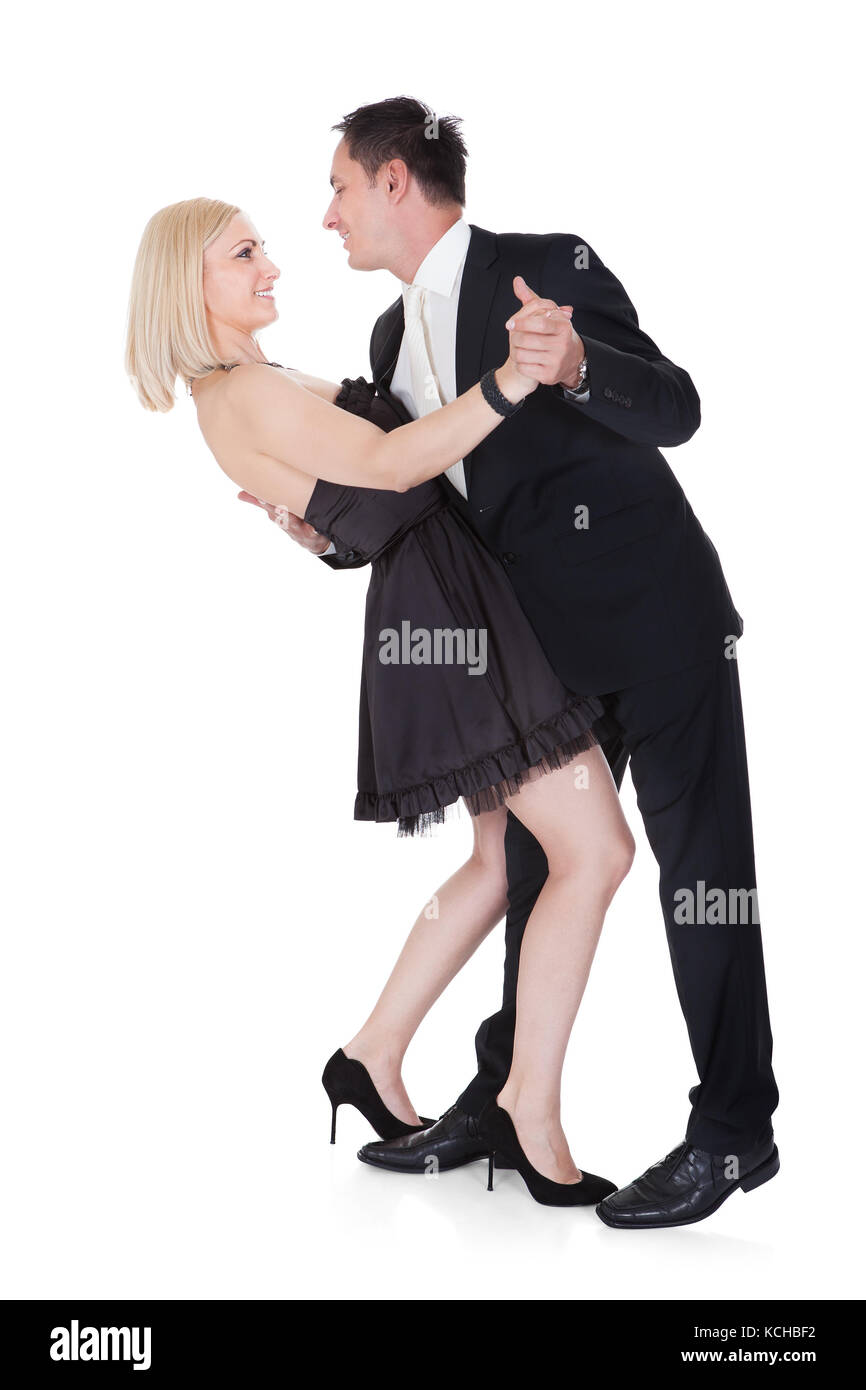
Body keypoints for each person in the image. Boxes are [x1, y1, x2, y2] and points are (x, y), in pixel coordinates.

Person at [266, 95, 779, 1229]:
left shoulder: (542, 267)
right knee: (535, 872)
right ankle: (507, 1100)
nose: (326, 216)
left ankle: (734, 1130)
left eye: (339, 188)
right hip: (537, 666)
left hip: (660, 626)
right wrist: (324, 541)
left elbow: (678, 408)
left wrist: (581, 358)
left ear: (396, 180)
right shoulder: (392, 342)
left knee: (703, 880)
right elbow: (428, 509)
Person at [124, 196, 638, 1205]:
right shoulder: (243, 397)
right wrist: (510, 377)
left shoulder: (248, 386)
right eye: (244, 253)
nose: (271, 263)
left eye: (262, 246)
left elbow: (358, 515)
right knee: (595, 850)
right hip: (452, 613)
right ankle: (530, 1110)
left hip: (443, 598)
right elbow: (399, 460)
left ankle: (370, 1053)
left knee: (500, 859)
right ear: (191, 283)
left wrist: (321, 535)